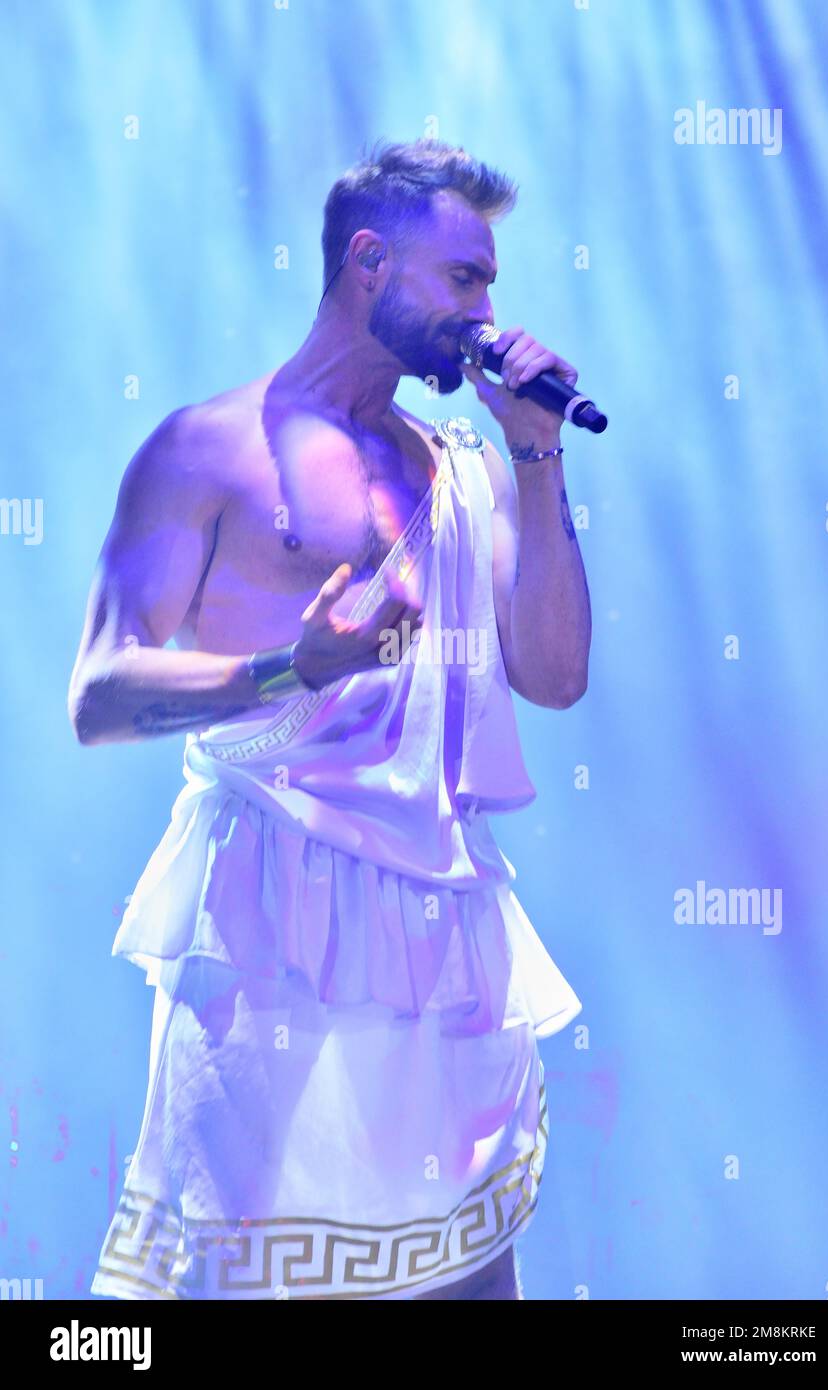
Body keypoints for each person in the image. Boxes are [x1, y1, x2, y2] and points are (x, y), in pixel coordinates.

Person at [68, 137, 591, 1301]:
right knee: (244, 1272)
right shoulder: (206, 450)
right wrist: (283, 669)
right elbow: (98, 697)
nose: (486, 308)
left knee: (466, 1275)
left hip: (446, 936)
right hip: (268, 930)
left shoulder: (461, 467)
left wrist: (535, 454)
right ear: (369, 261)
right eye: (464, 277)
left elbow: (553, 675)